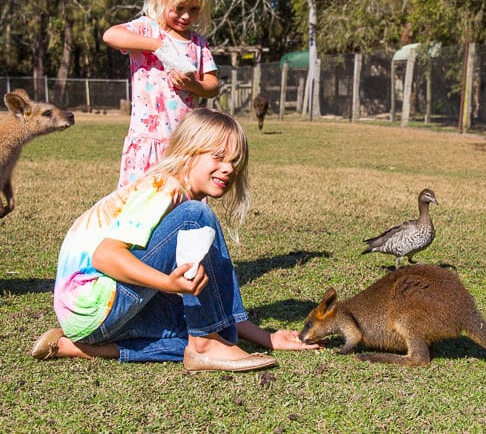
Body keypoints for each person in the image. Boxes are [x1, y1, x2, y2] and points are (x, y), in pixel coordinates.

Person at [31, 108, 319, 371]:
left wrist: (268, 338)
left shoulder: (176, 196)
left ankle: (81, 348)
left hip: (89, 321)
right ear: (188, 152)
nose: (229, 168)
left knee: (225, 333)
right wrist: (168, 284)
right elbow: (104, 256)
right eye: (218, 156)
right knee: (196, 216)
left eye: (235, 161)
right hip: (95, 303)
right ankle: (203, 345)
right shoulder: (165, 188)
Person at [103, 0, 219, 190]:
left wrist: (192, 86)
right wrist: (157, 45)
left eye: (194, 9)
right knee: (140, 205)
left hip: (183, 143)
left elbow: (211, 86)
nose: (186, 16)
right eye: (179, 7)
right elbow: (111, 35)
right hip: (147, 141)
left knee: (181, 200)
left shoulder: (198, 43)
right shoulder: (146, 29)